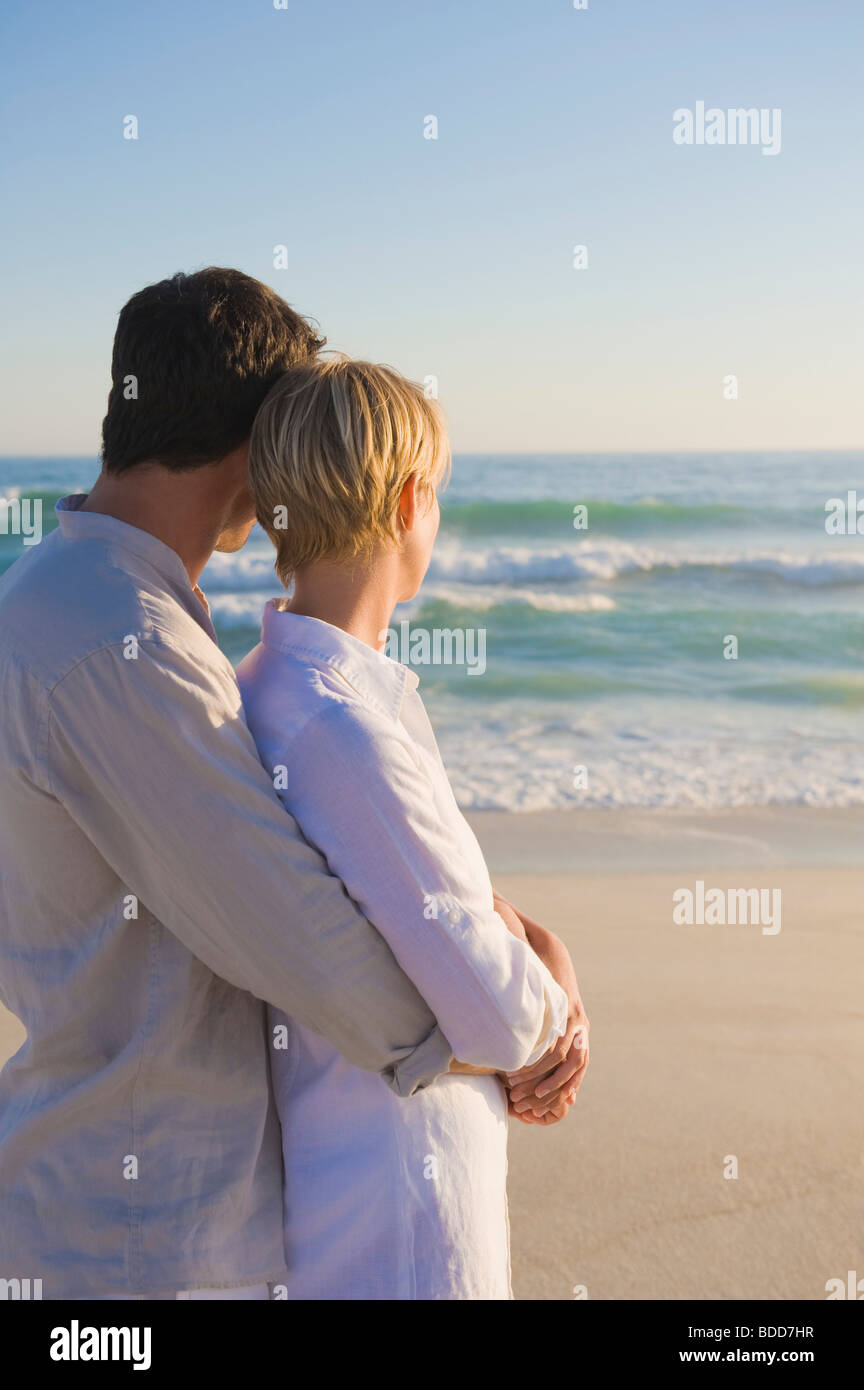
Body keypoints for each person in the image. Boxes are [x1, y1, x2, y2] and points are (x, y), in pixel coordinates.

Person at [0, 269, 478, 1300]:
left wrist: (494, 931)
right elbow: (292, 924)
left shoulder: (71, 593)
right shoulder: (119, 639)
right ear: (259, 441)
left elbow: (287, 854)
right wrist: (490, 1027)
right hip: (140, 1234)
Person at [237, 357, 589, 1299]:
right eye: (437, 495)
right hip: (401, 1222)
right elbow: (499, 1014)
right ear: (404, 503)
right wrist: (557, 1007)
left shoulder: (275, 693)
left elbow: (424, 914)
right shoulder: (337, 726)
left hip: (353, 1185)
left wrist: (523, 939)